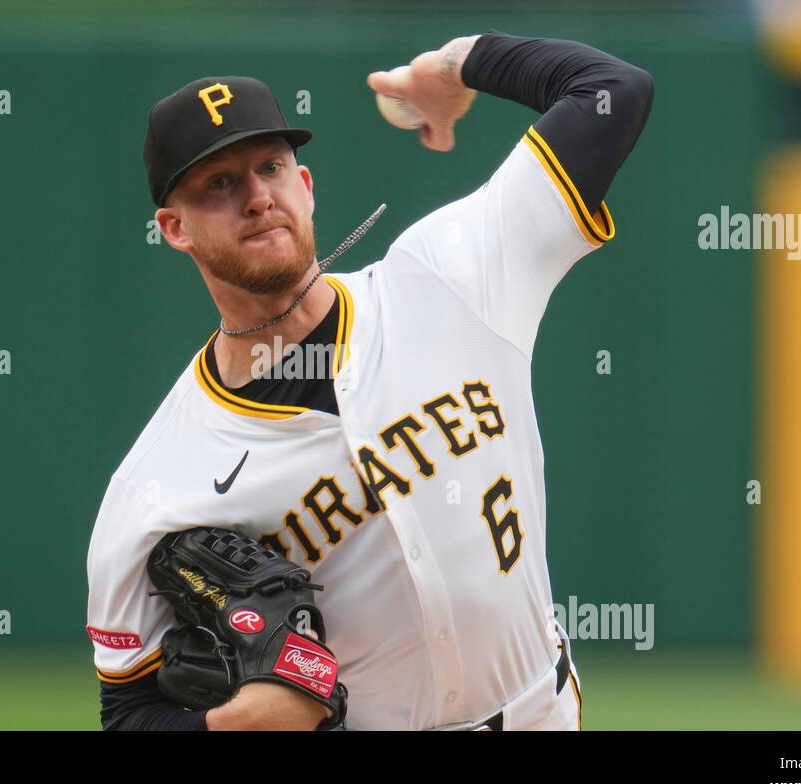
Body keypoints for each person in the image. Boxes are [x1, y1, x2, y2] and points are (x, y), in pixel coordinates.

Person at [85, 30, 653, 730]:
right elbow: (127, 711)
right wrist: (230, 724)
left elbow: (614, 91)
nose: (258, 197)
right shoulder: (156, 484)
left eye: (271, 166)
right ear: (175, 228)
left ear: (307, 185)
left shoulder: (450, 277)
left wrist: (459, 62)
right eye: (220, 184)